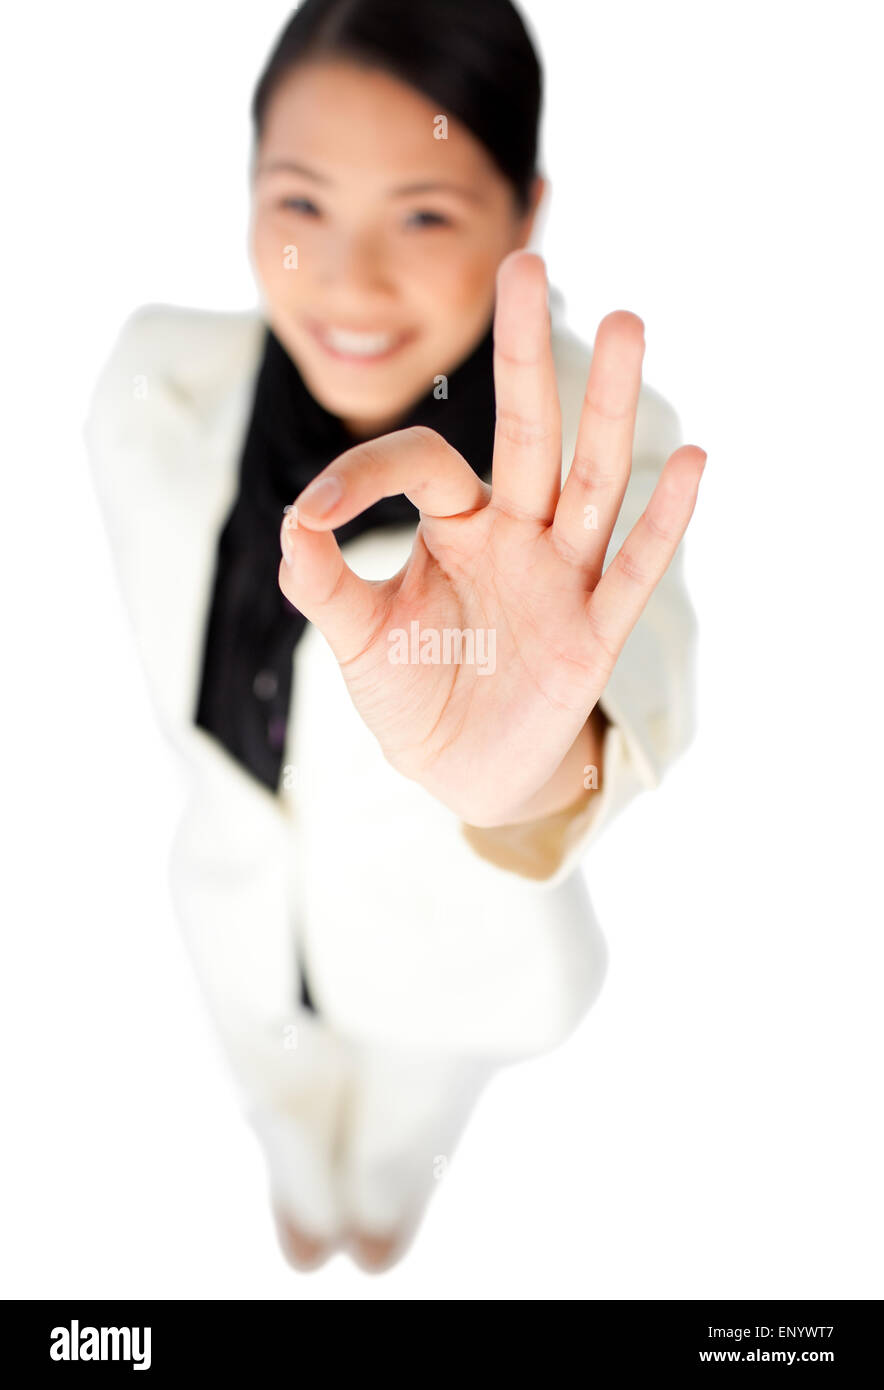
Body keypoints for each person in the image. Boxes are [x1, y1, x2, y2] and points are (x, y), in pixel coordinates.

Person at [83, 0, 706, 1274]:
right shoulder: (154, 387)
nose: (350, 282)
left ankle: (379, 1211)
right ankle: (302, 1189)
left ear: (524, 214)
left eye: (423, 213)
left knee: (404, 1133)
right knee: (276, 1100)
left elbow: (620, 707)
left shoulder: (599, 451)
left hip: (452, 961)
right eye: (300, 203)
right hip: (232, 913)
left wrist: (520, 774)